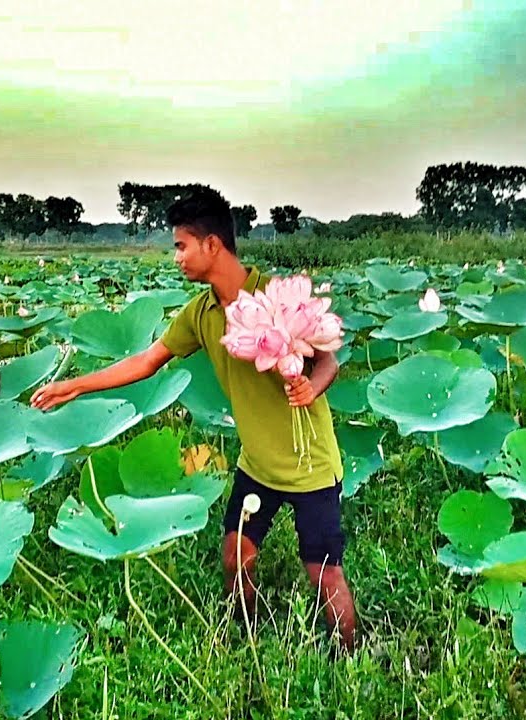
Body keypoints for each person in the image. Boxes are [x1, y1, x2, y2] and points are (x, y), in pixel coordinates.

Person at [30, 189, 358, 652]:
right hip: (257, 465)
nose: (177, 257)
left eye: (182, 245)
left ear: (212, 245)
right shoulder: (199, 314)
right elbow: (147, 361)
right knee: (234, 556)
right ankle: (244, 640)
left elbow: (328, 360)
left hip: (311, 466)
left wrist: (312, 387)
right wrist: (76, 385)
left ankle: (352, 653)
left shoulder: (277, 296)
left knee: (323, 573)